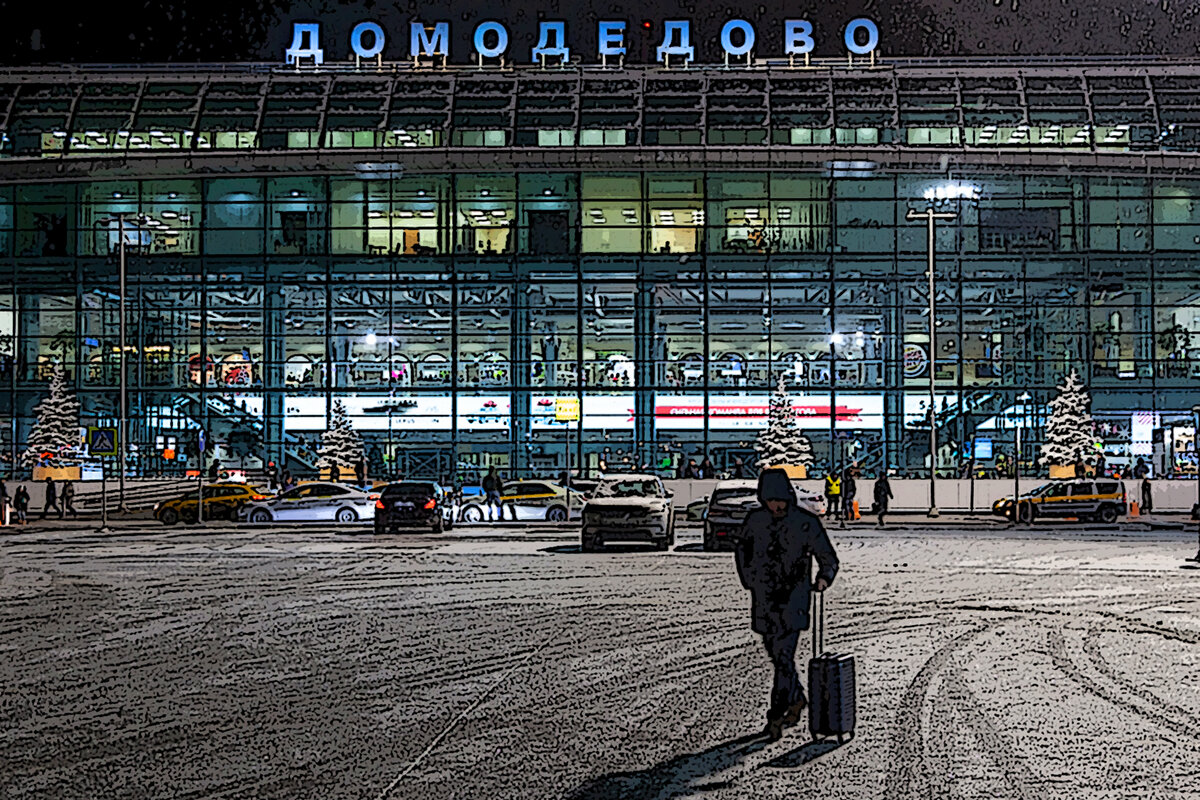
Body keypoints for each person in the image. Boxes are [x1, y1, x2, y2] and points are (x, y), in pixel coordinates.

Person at [734, 469, 839, 741]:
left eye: (779, 500)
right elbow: (741, 552)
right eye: (770, 500)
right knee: (779, 657)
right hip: (765, 600)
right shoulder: (755, 521)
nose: (775, 506)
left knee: (782, 657)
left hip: (794, 600)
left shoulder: (804, 522)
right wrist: (750, 580)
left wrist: (824, 578)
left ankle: (776, 717)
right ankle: (797, 699)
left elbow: (827, 557)